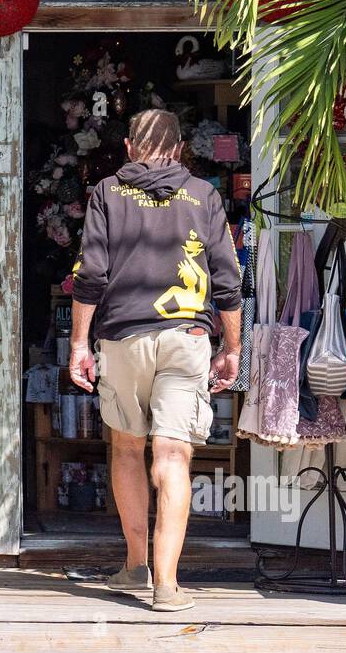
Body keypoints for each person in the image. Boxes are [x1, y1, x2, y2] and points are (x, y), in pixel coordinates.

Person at [68, 108, 242, 612]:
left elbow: (91, 273)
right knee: (173, 456)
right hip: (186, 337)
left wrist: (80, 343)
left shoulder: (106, 192)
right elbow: (228, 282)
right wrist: (232, 350)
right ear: (181, 148)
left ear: (129, 147)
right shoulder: (205, 196)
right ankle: (165, 584)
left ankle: (134, 565)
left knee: (125, 449)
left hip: (124, 339)